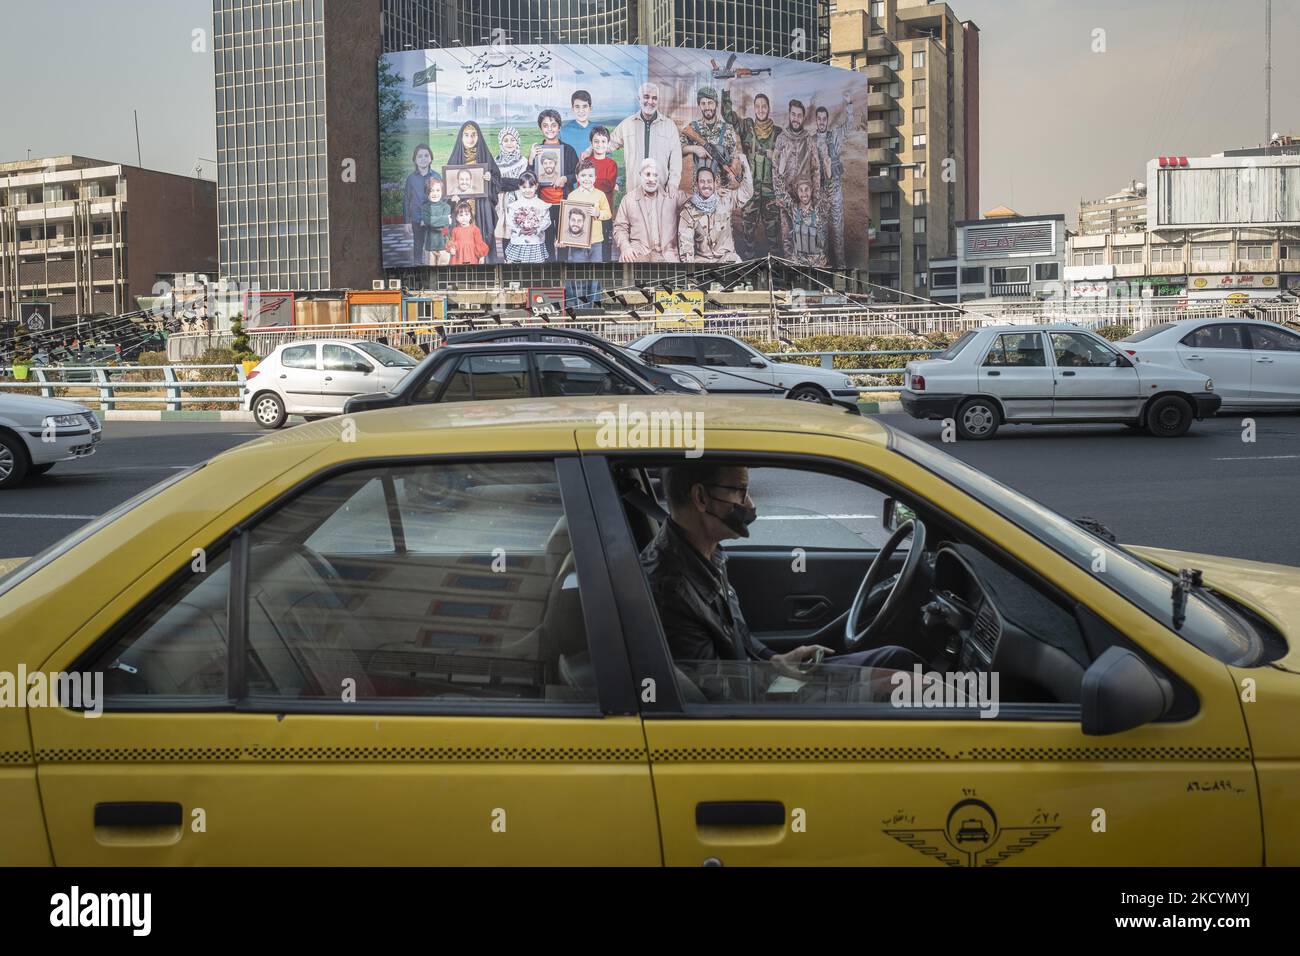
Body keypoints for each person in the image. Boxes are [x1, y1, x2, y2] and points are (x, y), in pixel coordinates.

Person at [640, 463, 924, 702]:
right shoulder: (670, 589)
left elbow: (733, 635)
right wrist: (841, 691)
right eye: (740, 492)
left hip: (758, 679)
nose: (750, 504)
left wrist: (775, 661)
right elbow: (720, 695)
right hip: (758, 707)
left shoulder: (704, 552)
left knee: (895, 659)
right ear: (700, 497)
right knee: (911, 688)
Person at [446, 120, 518, 264]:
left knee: (484, 236)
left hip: (482, 208)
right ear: (461, 137)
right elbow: (449, 185)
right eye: (466, 135)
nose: (470, 139)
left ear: (479, 136)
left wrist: (490, 178)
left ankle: (485, 266)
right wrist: (452, 197)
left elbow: (497, 178)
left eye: (474, 135)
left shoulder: (485, 155)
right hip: (462, 208)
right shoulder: (455, 158)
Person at [722, 88, 781, 258]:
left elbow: (786, 161)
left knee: (773, 235)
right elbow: (728, 117)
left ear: (768, 108)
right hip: (751, 190)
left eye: (764, 106)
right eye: (758, 106)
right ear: (754, 109)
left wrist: (775, 156)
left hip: (771, 193)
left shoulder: (778, 133)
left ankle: (776, 273)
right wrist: (727, 89)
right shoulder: (747, 126)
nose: (761, 109)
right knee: (748, 232)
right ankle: (747, 268)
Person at [770, 98, 829, 257]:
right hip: (786, 196)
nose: (796, 118)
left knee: (809, 235)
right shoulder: (782, 138)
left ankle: (809, 265)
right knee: (787, 235)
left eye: (799, 115)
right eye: (793, 115)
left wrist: (815, 194)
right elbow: (775, 169)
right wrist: (779, 194)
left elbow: (816, 169)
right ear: (789, 115)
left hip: (805, 197)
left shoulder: (808, 139)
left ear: (803, 118)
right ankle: (791, 266)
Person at [602, 82, 683, 194]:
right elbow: (607, 145)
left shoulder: (669, 126)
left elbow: (676, 158)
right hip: (634, 192)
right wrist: (589, 150)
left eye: (654, 98)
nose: (650, 101)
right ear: (639, 98)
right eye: (646, 97)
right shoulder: (627, 124)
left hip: (660, 193)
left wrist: (673, 183)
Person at [678, 154, 753, 264]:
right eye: (702, 182)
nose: (706, 185)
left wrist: (744, 165)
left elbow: (747, 192)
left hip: (727, 258)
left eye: (709, 181)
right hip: (703, 261)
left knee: (738, 266)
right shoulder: (689, 210)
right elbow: (686, 246)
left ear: (715, 183)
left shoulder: (725, 200)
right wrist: (692, 273)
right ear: (697, 184)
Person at [611, 157, 690, 263]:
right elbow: (620, 228)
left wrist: (717, 193)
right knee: (626, 263)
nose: (652, 179)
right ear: (640, 175)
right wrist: (625, 247)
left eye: (655, 175)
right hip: (639, 252)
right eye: (647, 174)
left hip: (667, 255)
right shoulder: (629, 199)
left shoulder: (671, 196)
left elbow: (696, 200)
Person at [529, 109, 580, 260]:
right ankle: (551, 269)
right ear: (540, 128)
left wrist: (565, 178)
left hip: (563, 203)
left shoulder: (569, 150)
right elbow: (529, 178)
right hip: (544, 204)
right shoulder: (537, 151)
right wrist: (531, 159)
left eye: (553, 125)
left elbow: (577, 175)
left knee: (563, 240)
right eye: (545, 125)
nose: (549, 128)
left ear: (559, 127)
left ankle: (563, 267)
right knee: (547, 240)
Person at [815, 92, 854, 268]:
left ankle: (842, 270)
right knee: (821, 234)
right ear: (816, 121)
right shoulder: (811, 141)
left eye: (824, 118)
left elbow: (849, 125)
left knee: (838, 233)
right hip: (821, 194)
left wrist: (849, 104)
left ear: (827, 120)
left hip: (835, 191)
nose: (822, 121)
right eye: (819, 119)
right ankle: (823, 270)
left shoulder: (835, 136)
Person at [681, 85, 740, 186]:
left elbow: (734, 155)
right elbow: (679, 149)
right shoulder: (693, 127)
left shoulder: (728, 128)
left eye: (710, 103)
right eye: (703, 103)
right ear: (699, 105)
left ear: (716, 104)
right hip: (701, 189)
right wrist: (695, 149)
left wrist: (732, 171)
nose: (707, 107)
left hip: (723, 189)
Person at [497, 172, 551, 264]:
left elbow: (547, 221)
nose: (527, 190)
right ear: (519, 187)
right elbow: (510, 222)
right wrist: (519, 230)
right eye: (524, 187)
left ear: (536, 186)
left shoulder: (541, 204)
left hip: (535, 242)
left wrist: (536, 229)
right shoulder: (514, 205)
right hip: (518, 242)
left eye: (531, 187)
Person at [565, 160, 612, 264]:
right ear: (577, 177)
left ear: (595, 178)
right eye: (583, 175)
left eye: (590, 176)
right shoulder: (572, 196)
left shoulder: (600, 195)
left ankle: (595, 281)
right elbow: (567, 219)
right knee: (579, 270)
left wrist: (598, 213)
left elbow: (608, 214)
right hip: (577, 241)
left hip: (596, 241)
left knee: (596, 269)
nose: (587, 179)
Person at [587, 125, 619, 263]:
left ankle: (605, 264)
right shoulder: (586, 162)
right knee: (588, 239)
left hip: (604, 210)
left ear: (608, 144)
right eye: (596, 141)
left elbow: (608, 185)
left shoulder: (611, 164)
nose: (600, 145)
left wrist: (591, 183)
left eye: (603, 141)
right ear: (591, 144)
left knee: (605, 239)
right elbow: (582, 182)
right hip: (588, 208)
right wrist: (597, 183)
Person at [402, 143, 434, 266]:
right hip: (416, 218)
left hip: (432, 219)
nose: (423, 159)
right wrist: (406, 221)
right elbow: (406, 200)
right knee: (418, 244)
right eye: (420, 156)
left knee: (432, 245)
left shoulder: (436, 176)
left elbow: (442, 198)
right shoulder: (411, 179)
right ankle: (418, 266)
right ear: (415, 160)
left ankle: (432, 266)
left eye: (426, 155)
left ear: (431, 158)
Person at [787, 179, 828, 266]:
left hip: (817, 263)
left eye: (806, 189)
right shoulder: (794, 208)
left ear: (811, 190)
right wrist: (780, 172)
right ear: (797, 192)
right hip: (798, 263)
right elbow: (780, 195)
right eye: (800, 190)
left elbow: (828, 193)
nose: (804, 194)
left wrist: (828, 173)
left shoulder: (819, 209)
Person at [447, 200, 490, 265]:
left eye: (466, 214)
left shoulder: (475, 229)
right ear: (457, 218)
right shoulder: (455, 230)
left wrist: (481, 256)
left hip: (471, 256)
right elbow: (452, 242)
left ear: (470, 216)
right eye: (461, 215)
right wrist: (451, 249)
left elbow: (479, 243)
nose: (464, 218)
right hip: (458, 257)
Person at [422, 174, 452, 266]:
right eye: (431, 191)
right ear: (427, 192)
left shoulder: (446, 207)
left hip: (444, 244)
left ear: (442, 191)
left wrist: (433, 222)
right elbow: (428, 222)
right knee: (430, 269)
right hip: (430, 245)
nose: (435, 193)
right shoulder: (425, 207)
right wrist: (445, 220)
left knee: (444, 268)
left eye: (438, 190)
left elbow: (445, 227)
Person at [559, 89, 594, 158]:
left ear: (590, 108)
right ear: (572, 109)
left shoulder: (599, 129)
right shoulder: (562, 131)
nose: (581, 111)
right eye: (577, 107)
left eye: (585, 106)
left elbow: (606, 158)